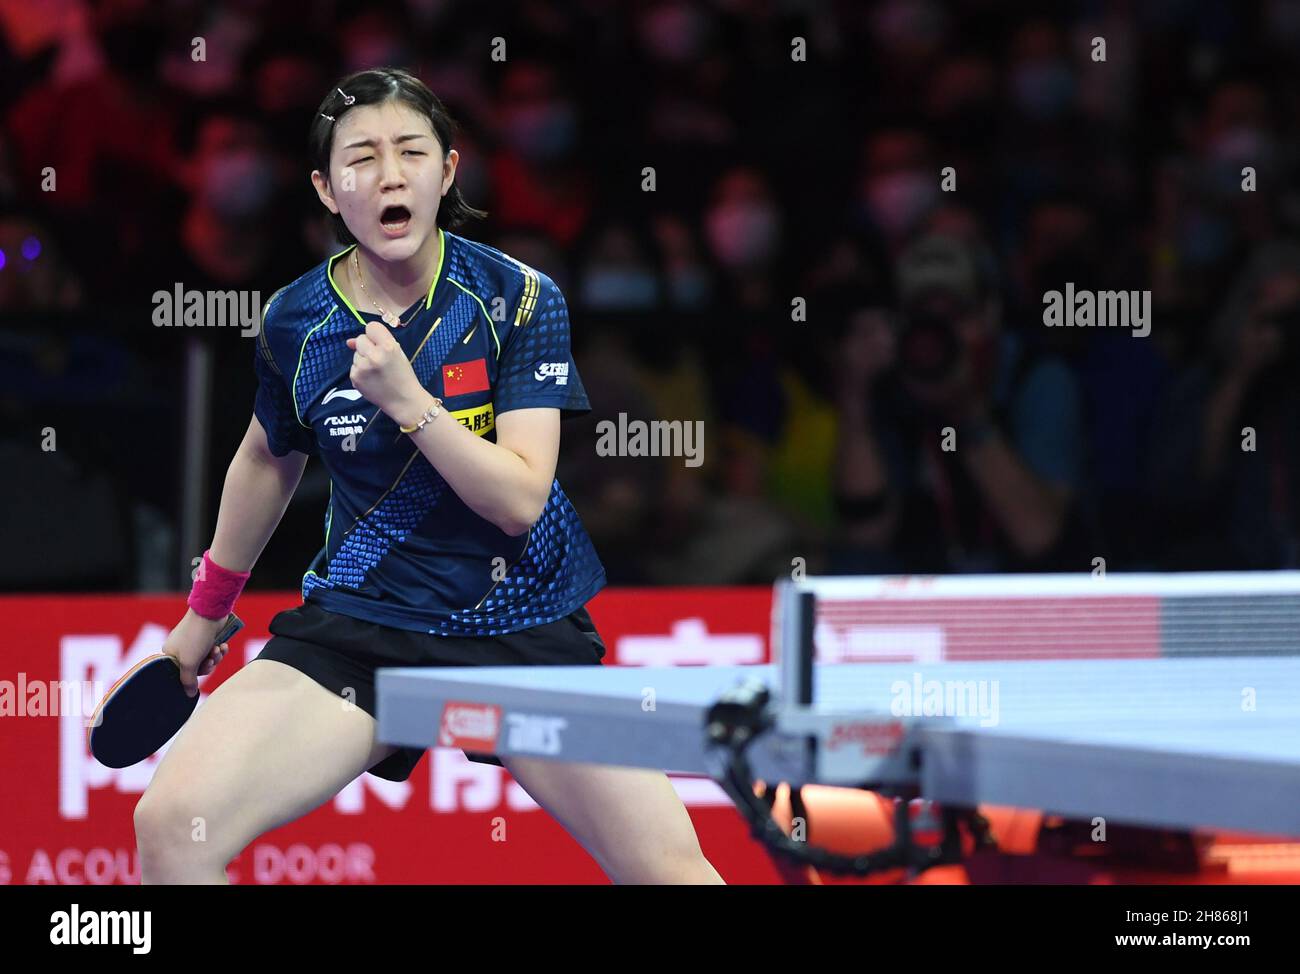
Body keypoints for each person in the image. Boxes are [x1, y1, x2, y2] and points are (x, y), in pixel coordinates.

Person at [133, 67, 724, 885]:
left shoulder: (518, 299)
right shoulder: (295, 320)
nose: (389, 173)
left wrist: (409, 402)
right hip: (364, 631)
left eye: (412, 151)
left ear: (447, 172)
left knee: (672, 873)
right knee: (170, 828)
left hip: (519, 631)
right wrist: (203, 619)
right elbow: (266, 457)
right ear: (326, 190)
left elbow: (519, 499)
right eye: (362, 157)